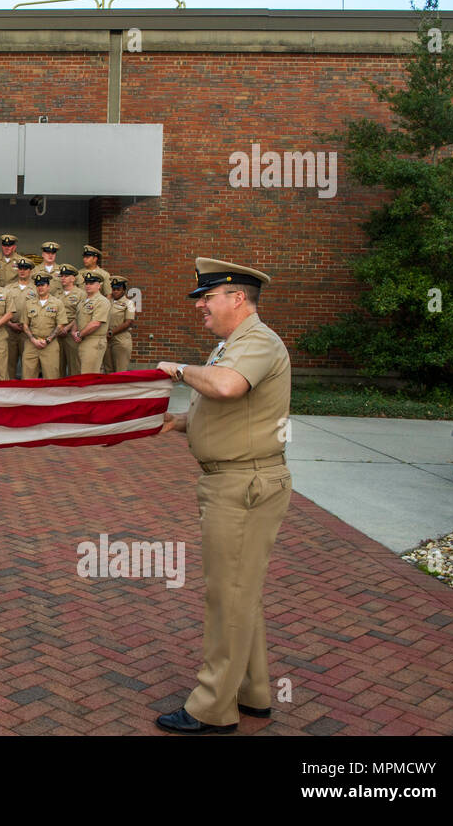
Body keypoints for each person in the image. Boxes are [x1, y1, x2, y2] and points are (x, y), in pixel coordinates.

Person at [155, 258, 291, 735]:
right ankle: (252, 694)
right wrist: (179, 423)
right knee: (240, 594)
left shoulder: (256, 341)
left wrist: (177, 370)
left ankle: (211, 708)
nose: (201, 308)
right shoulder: (232, 344)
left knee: (228, 596)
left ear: (237, 298)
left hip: (244, 484)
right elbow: (228, 412)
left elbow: (229, 387)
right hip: (233, 480)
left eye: (207, 299)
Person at [21, 272, 68, 378]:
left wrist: (48, 340)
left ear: (48, 286)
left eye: (42, 285)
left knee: (51, 376)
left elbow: (60, 325)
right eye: (38, 285)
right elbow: (25, 324)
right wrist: (33, 340)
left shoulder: (57, 303)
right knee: (28, 376)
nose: (40, 288)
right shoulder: (29, 303)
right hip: (31, 344)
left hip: (50, 345)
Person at [74, 271, 110, 374]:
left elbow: (95, 323)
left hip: (94, 341)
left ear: (99, 285)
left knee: (89, 374)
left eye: (92, 283)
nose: (88, 285)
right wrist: (74, 332)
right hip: (83, 340)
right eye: (87, 283)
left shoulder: (102, 301)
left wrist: (80, 334)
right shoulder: (83, 301)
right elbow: (77, 319)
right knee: (82, 373)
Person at [57, 265, 85, 376]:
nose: (63, 278)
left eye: (66, 276)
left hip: (72, 334)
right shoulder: (56, 294)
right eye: (62, 276)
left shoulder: (81, 294)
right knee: (58, 366)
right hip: (58, 334)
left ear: (73, 278)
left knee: (75, 366)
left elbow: (80, 315)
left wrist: (67, 328)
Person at [106, 275, 136, 372]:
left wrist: (111, 332)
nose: (115, 291)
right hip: (107, 340)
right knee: (108, 370)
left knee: (120, 371)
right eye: (113, 289)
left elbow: (128, 322)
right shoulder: (107, 301)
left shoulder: (130, 303)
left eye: (118, 289)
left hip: (120, 340)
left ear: (124, 290)